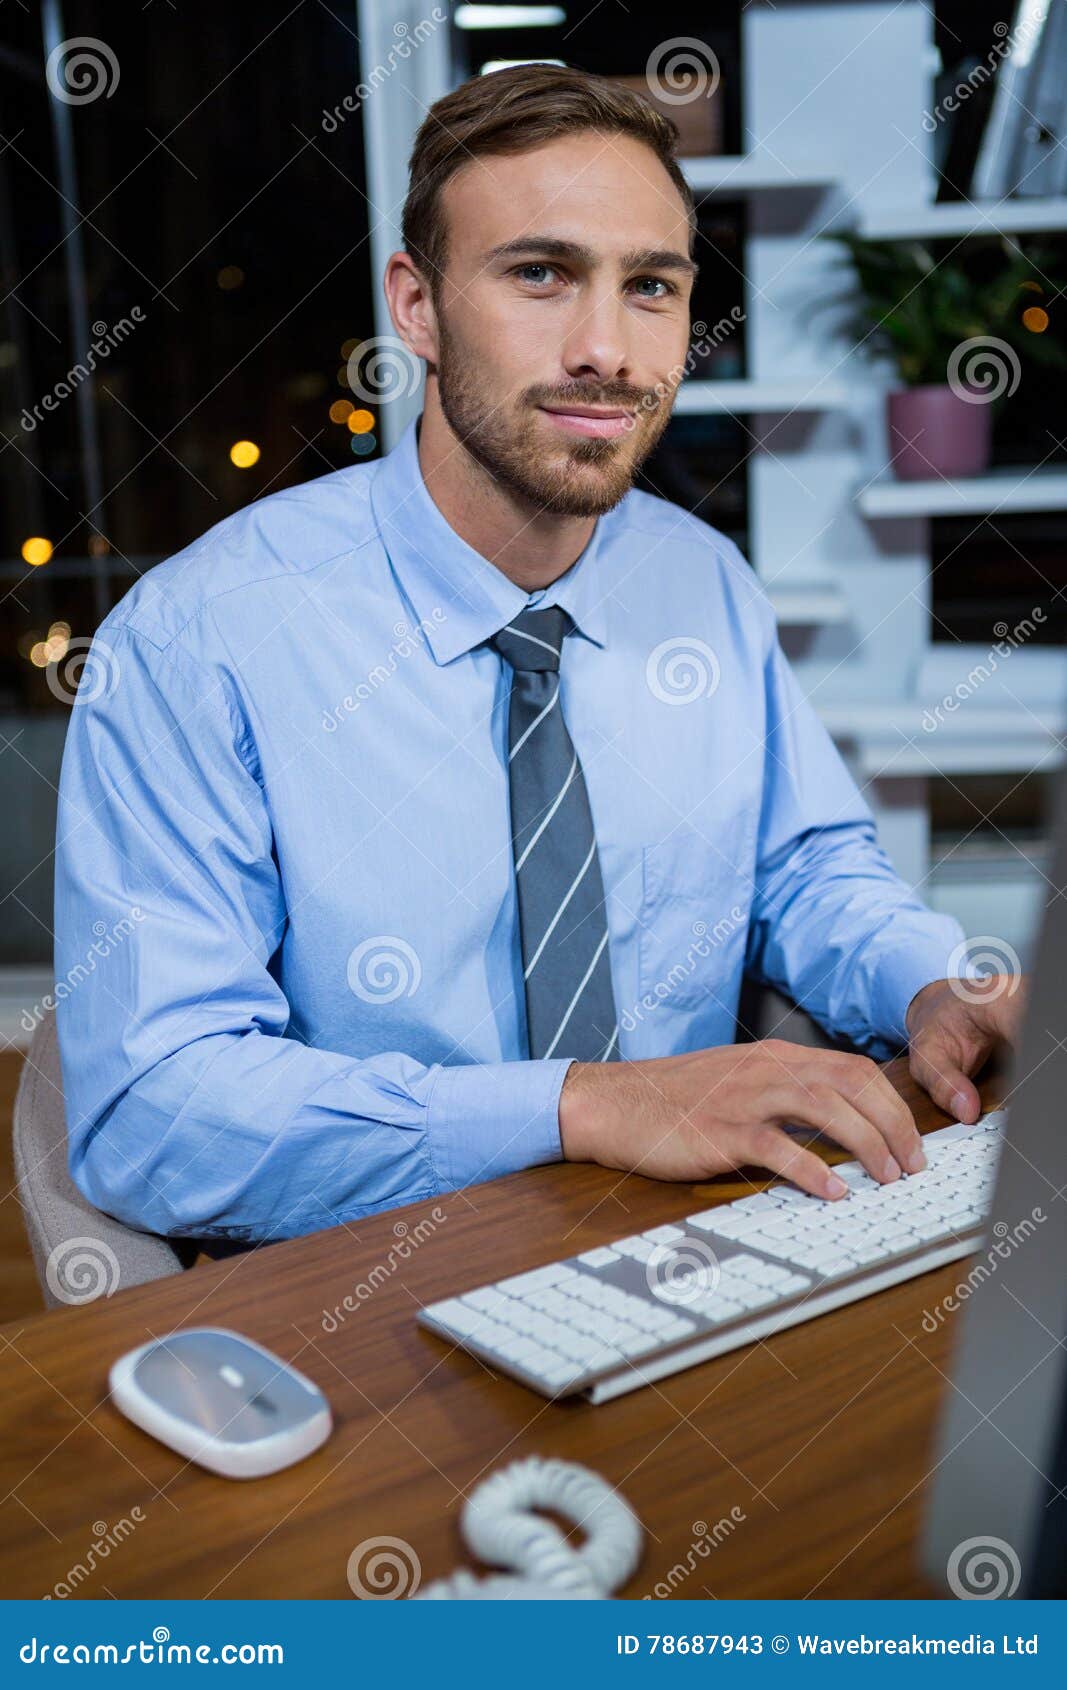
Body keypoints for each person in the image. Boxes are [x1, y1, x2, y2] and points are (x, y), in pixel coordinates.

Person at [54, 63, 1021, 1247]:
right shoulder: (199, 639)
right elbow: (152, 1113)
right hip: (368, 1280)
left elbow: (801, 869)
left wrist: (927, 978)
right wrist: (579, 1107)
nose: (606, 348)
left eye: (649, 286)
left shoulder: (700, 580)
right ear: (416, 306)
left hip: (692, 1240)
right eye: (539, 274)